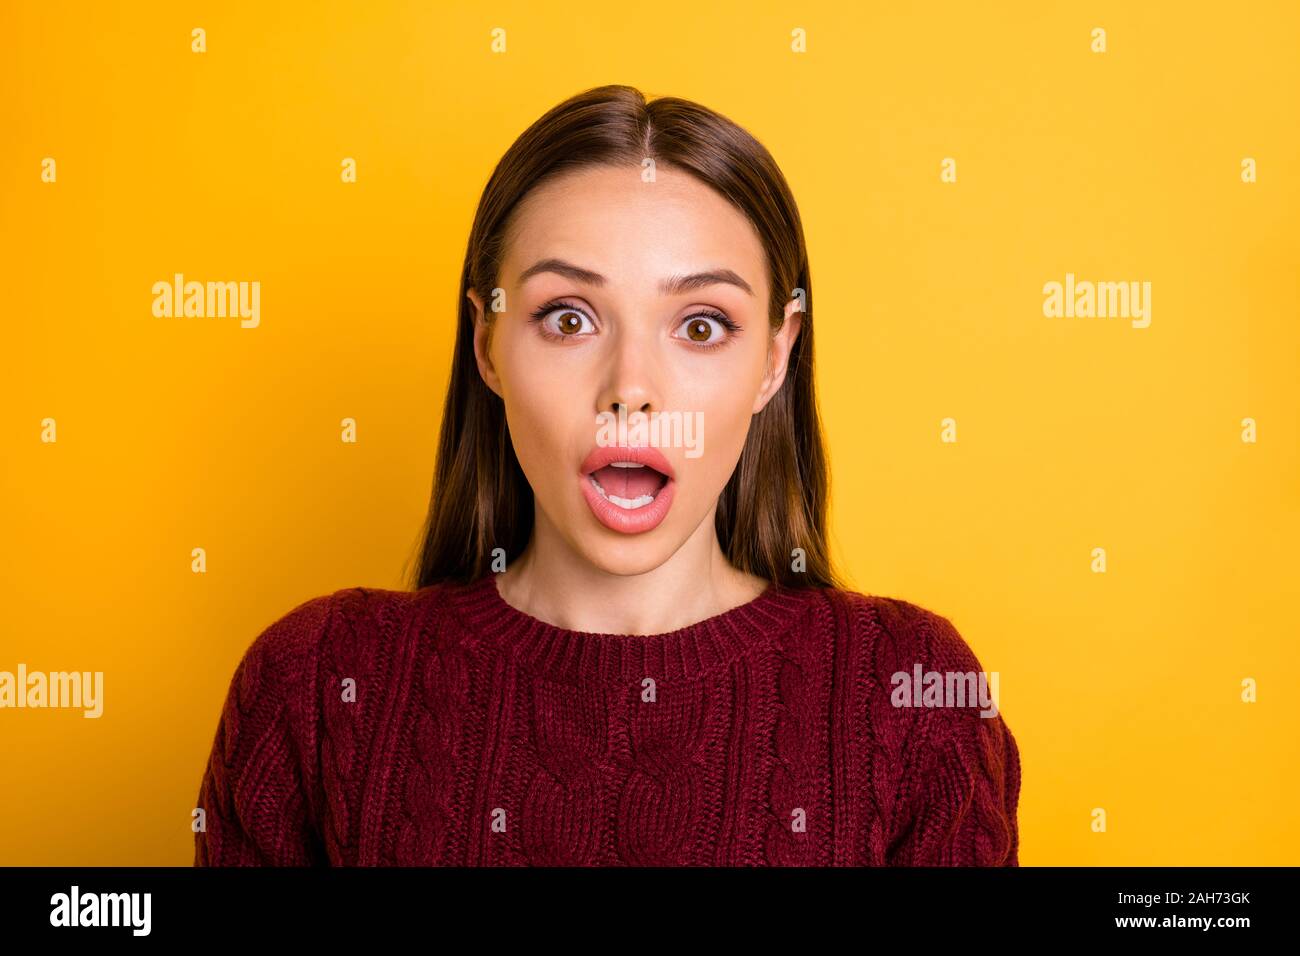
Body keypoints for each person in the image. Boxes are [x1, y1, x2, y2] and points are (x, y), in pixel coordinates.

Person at [194, 84, 1021, 866]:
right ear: (487, 343)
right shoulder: (314, 686)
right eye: (569, 318)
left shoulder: (915, 697)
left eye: (702, 325)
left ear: (776, 357)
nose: (630, 388)